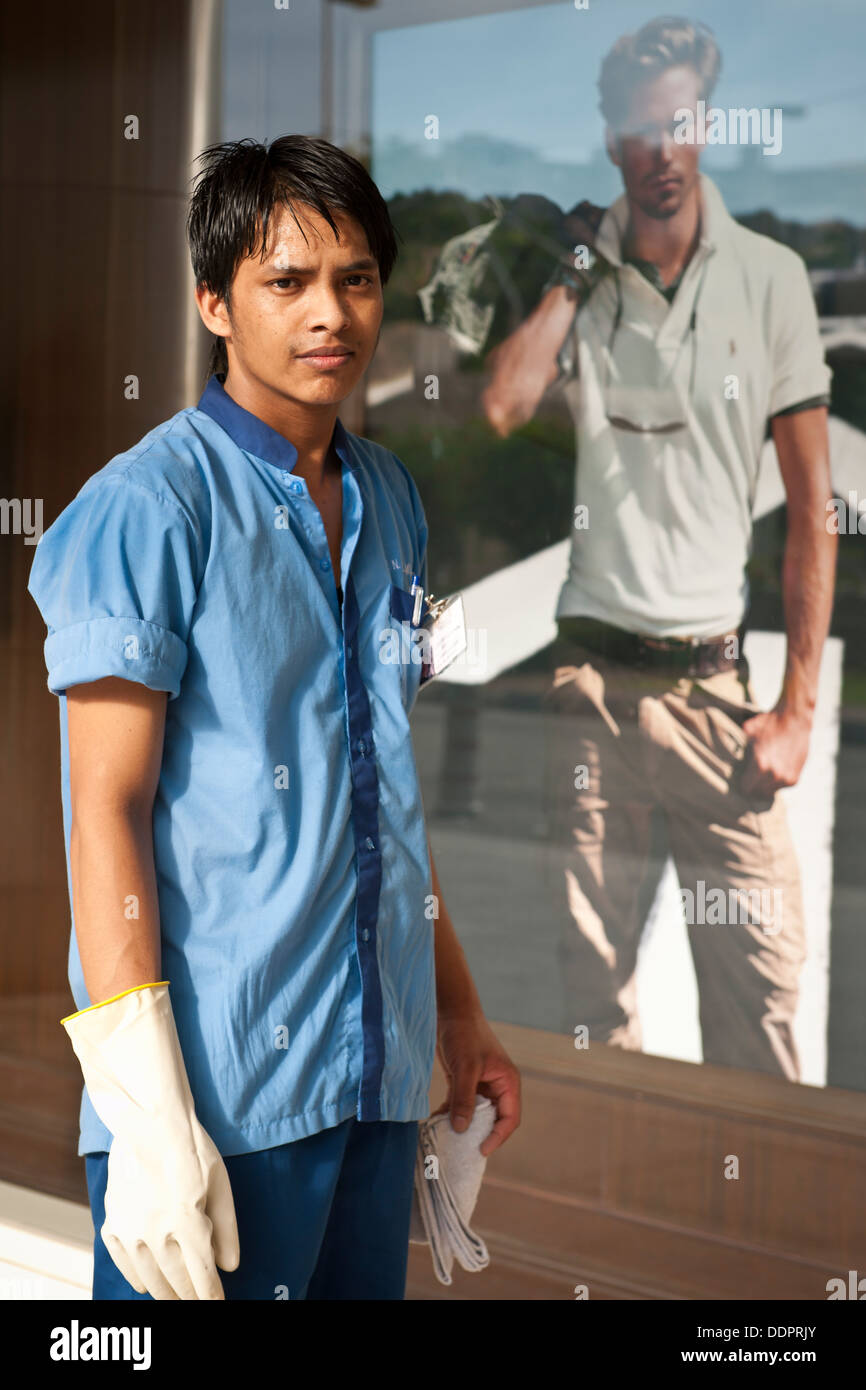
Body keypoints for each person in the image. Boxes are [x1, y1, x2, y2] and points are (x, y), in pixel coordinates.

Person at [27, 134, 520, 1301]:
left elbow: (379, 789)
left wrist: (457, 1016)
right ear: (213, 300)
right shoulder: (145, 508)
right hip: (215, 1100)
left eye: (354, 279)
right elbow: (104, 813)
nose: (330, 313)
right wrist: (146, 1112)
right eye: (285, 281)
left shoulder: (390, 498)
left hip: (374, 1087)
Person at [482, 18, 836, 1079]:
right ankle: (630, 1227)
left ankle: (756, 1234)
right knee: (592, 1003)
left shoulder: (769, 277)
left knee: (762, 993)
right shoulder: (585, 285)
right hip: (590, 685)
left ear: (706, 127)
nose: (661, 149)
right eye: (640, 128)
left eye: (680, 122)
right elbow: (501, 402)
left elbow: (814, 510)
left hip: (714, 699)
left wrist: (796, 710)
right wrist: (573, 266)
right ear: (610, 141)